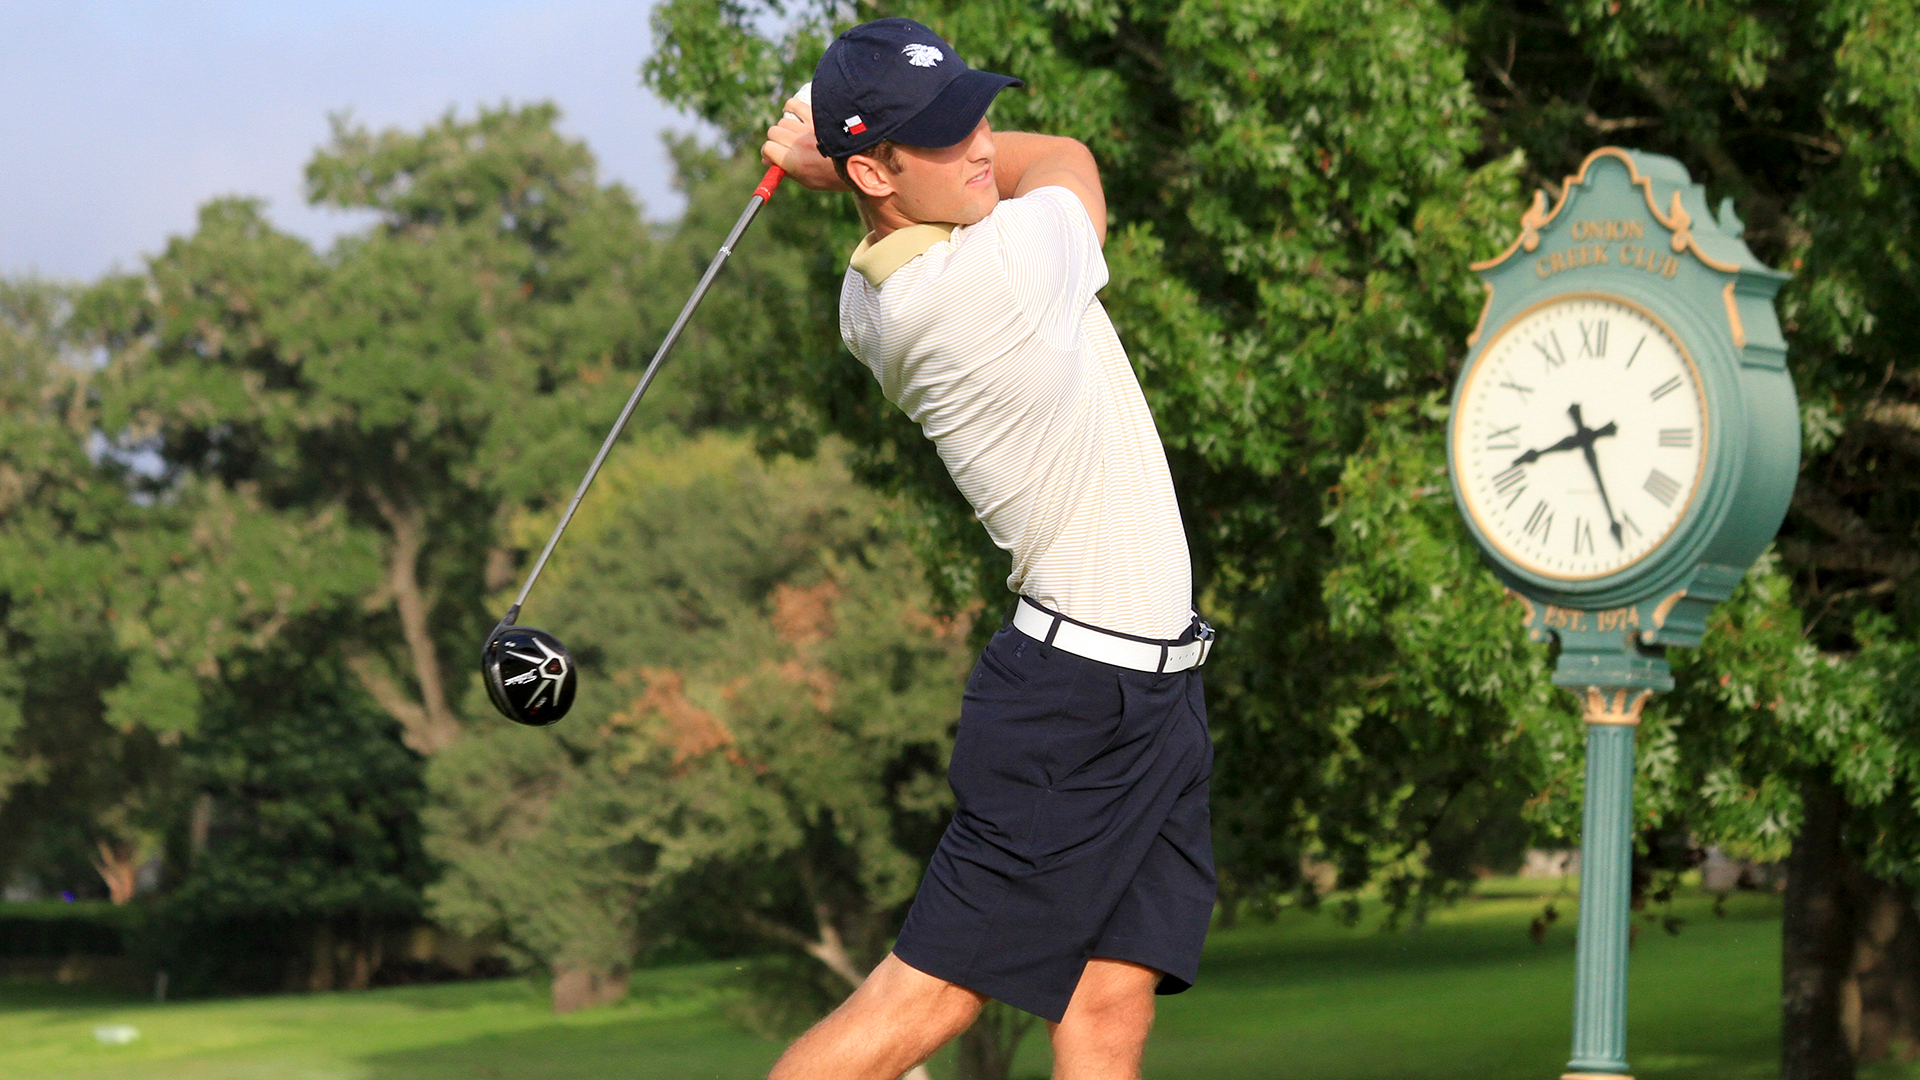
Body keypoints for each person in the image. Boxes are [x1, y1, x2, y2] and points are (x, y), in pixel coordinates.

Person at [759, 18, 1215, 1080]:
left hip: (1151, 689)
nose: (980, 144)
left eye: (979, 113)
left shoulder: (868, 294)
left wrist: (849, 168)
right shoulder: (992, 278)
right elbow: (1068, 162)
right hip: (1079, 703)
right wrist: (834, 163)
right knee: (925, 1003)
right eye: (944, 132)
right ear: (875, 167)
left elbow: (965, 182)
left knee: (1109, 1011)